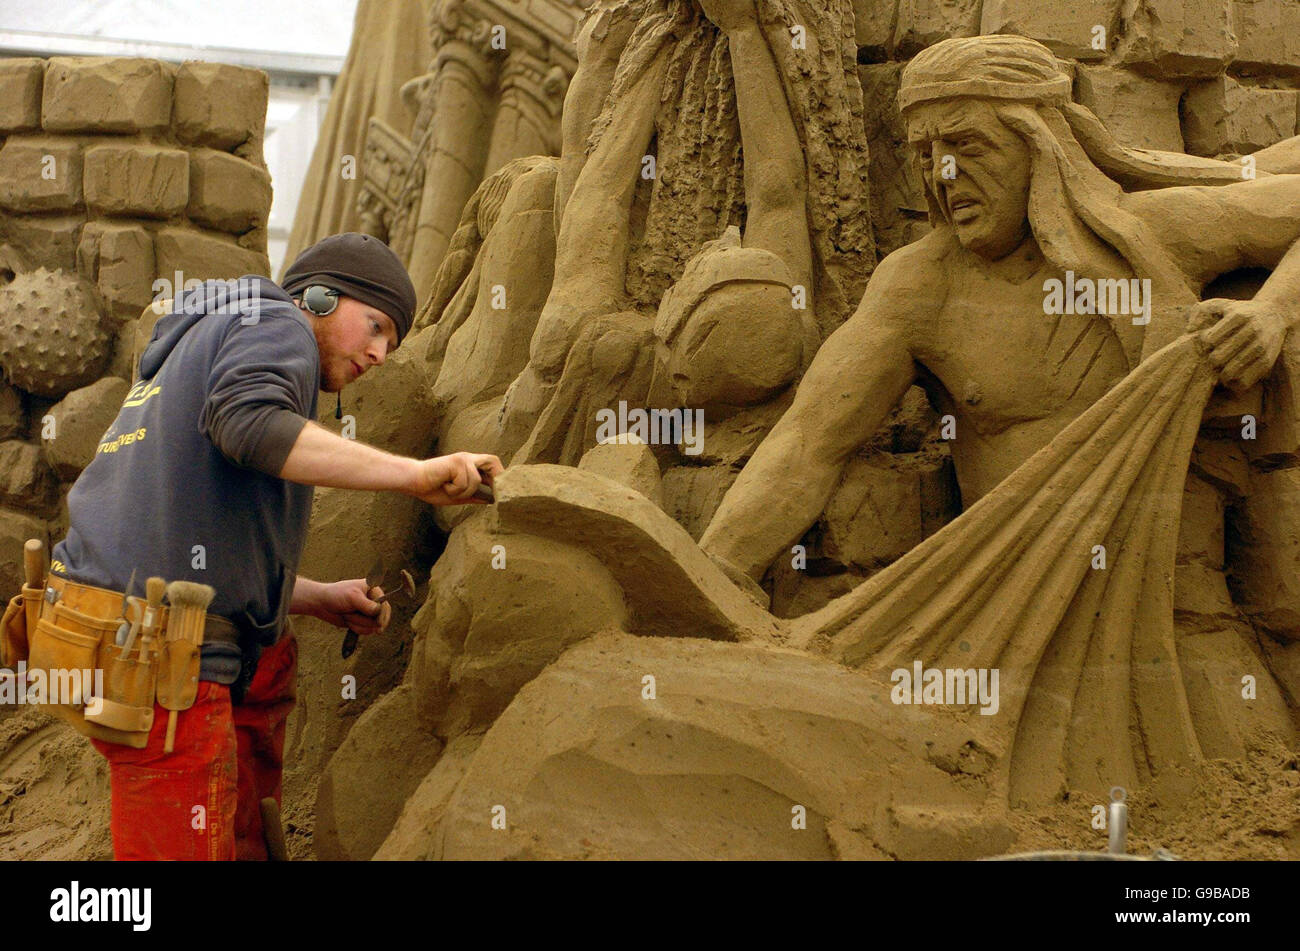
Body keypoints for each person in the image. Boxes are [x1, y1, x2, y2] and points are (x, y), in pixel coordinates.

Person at [46, 232, 503, 860]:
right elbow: (249, 425)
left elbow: (181, 537)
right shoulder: (277, 321)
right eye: (373, 326)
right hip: (156, 651)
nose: (378, 354)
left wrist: (310, 596)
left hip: (112, 629)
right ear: (317, 295)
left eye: (391, 344)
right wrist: (417, 475)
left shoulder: (215, 337)